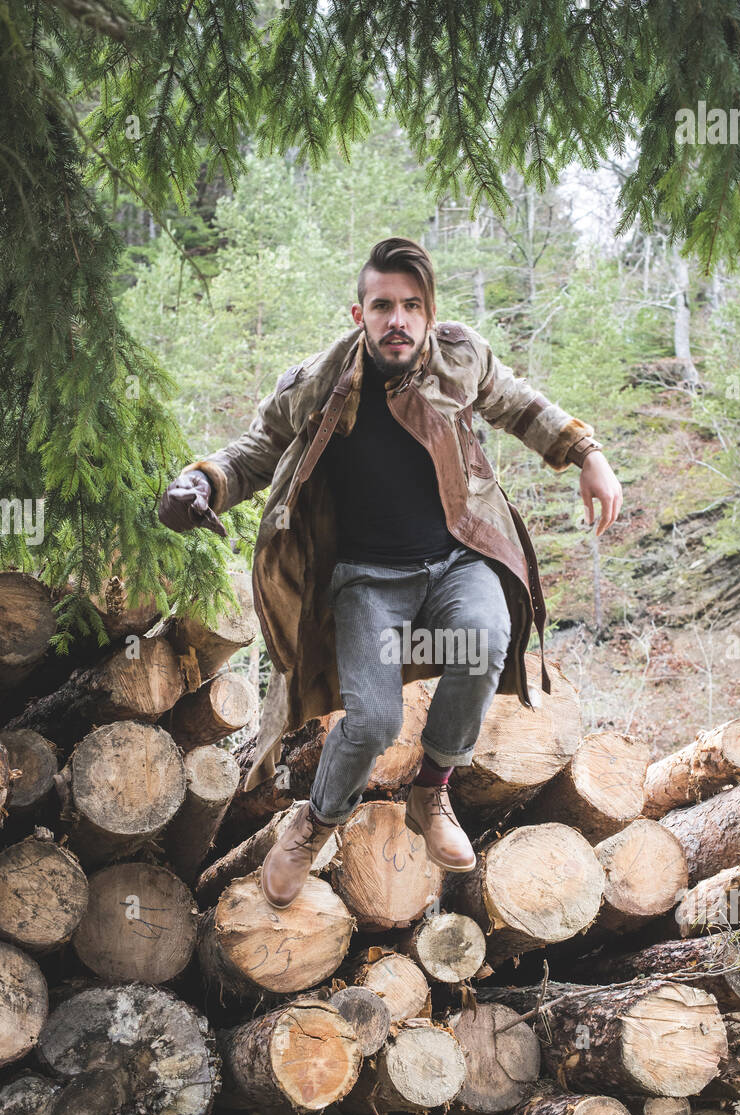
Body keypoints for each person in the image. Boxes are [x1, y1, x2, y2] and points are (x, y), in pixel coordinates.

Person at [158, 236, 622, 908]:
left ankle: (429, 792)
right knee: (371, 723)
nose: (397, 320)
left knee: (485, 641)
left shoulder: (461, 359)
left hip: (458, 560)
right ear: (359, 315)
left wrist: (587, 454)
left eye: (411, 306)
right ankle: (315, 820)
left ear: (430, 314)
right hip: (367, 581)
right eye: (383, 306)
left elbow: (522, 406)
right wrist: (200, 482)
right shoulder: (316, 383)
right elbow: (253, 453)